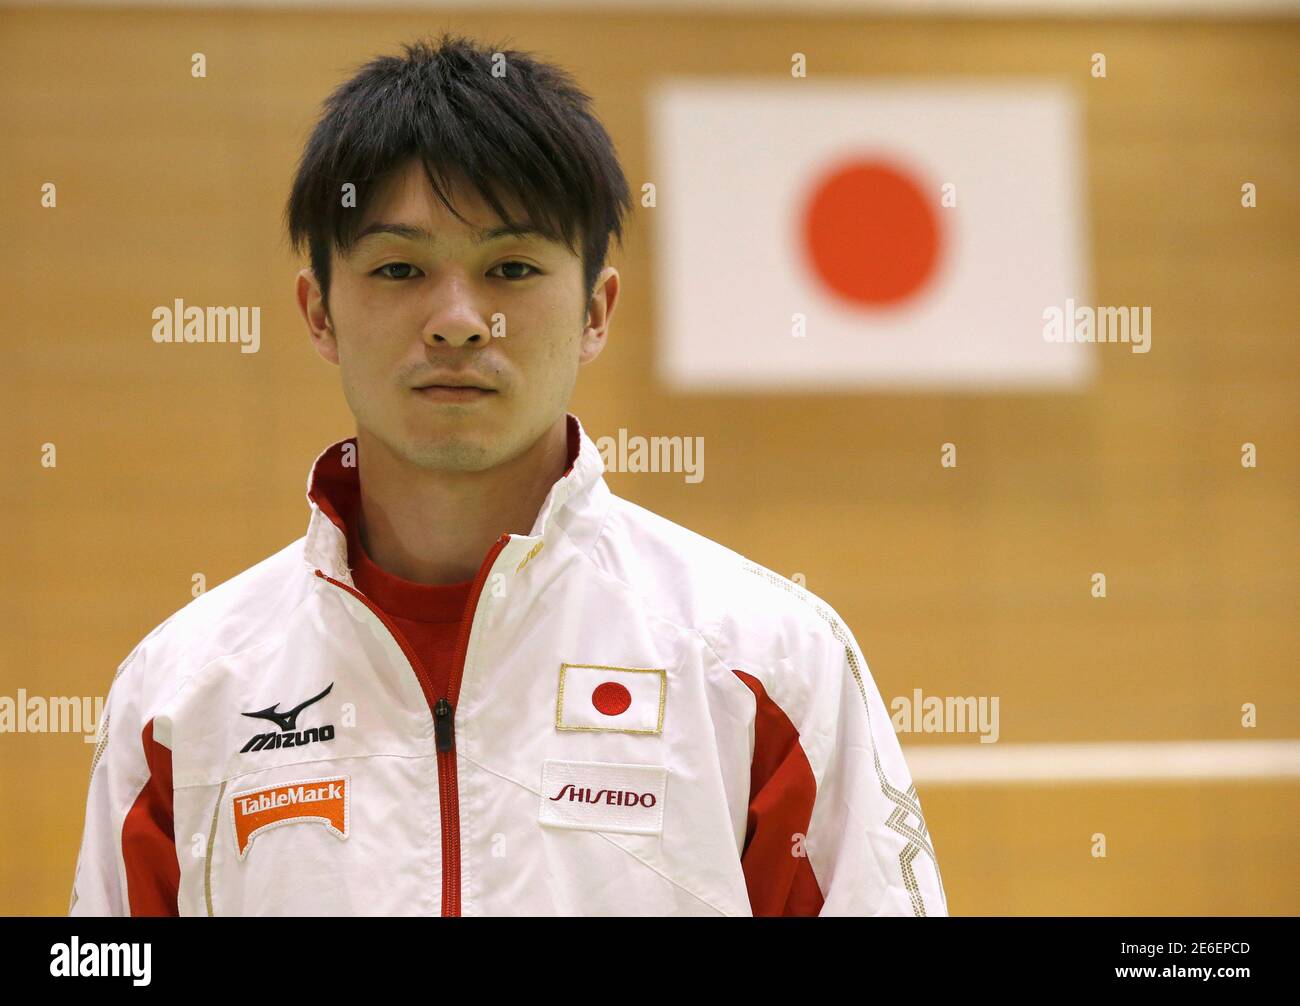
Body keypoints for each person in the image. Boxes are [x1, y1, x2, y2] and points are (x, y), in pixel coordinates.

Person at [68, 32, 946, 917]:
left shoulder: (764, 663)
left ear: (596, 310)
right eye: (399, 267)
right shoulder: (182, 692)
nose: (456, 320)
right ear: (320, 311)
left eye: (512, 268)